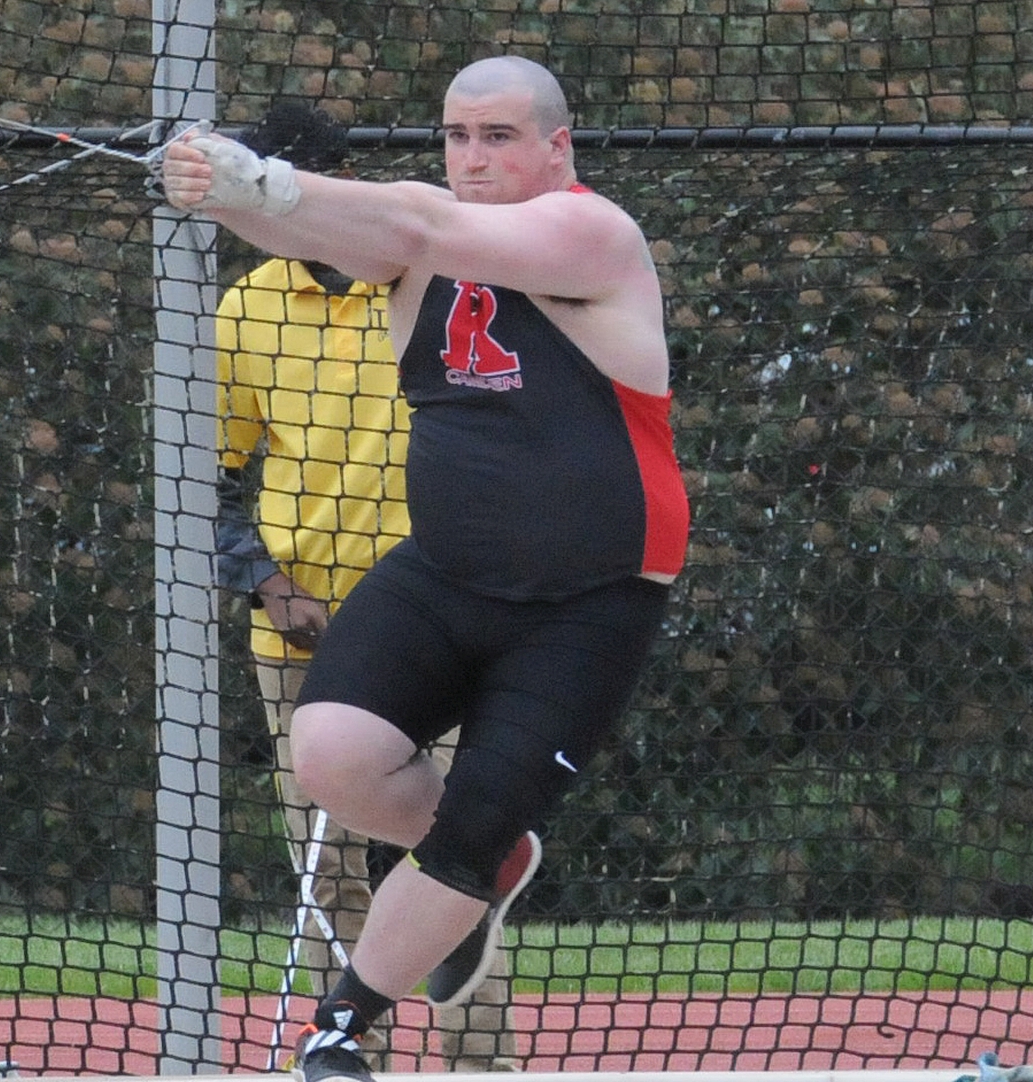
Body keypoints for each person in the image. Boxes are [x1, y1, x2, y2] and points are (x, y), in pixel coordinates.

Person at [164, 56, 690, 1082]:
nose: (473, 157)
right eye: (456, 136)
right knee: (331, 753)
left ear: (556, 146)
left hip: (590, 593)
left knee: (473, 824)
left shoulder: (591, 231)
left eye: (498, 137)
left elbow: (416, 225)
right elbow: (320, 234)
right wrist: (228, 191)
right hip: (446, 569)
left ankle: (342, 1025)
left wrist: (261, 180)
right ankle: (493, 855)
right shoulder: (419, 242)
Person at [214, 102, 526, 1072]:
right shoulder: (247, 308)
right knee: (332, 864)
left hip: (444, 619)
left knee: (462, 849)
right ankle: (352, 1057)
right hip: (300, 640)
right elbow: (209, 474)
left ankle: (480, 1061)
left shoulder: (434, 286)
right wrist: (265, 581)